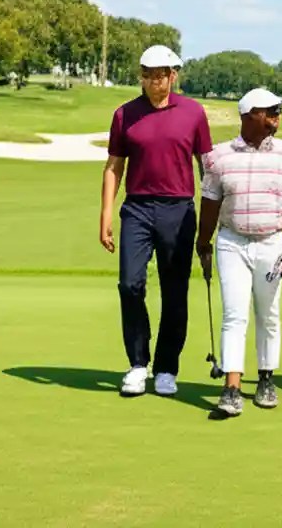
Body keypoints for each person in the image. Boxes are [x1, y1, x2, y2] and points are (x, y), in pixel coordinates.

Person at [100, 44, 213, 398]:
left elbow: (206, 166)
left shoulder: (193, 113)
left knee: (175, 291)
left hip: (178, 209)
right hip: (137, 208)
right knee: (129, 285)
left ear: (173, 76)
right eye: (147, 76)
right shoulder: (124, 114)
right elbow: (114, 165)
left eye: (160, 76)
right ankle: (138, 364)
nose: (153, 82)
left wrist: (213, 213)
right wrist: (105, 213)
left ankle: (166, 368)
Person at [196, 88, 282, 417]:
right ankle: (232, 386)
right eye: (269, 110)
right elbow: (209, 203)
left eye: (278, 109)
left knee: (268, 313)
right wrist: (202, 243)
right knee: (235, 313)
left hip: (272, 242)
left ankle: (265, 379)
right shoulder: (219, 156)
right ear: (248, 117)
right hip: (232, 241)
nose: (277, 114)